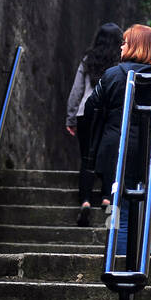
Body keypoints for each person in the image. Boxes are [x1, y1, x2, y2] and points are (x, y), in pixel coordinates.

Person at [88, 24, 151, 257]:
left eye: (125, 42)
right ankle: (145, 259)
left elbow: (92, 108)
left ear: (135, 46)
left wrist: (100, 142)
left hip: (117, 152)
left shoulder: (112, 75)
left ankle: (118, 258)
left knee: (117, 208)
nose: (121, 46)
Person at [66, 22, 123, 225]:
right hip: (111, 114)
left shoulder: (88, 59)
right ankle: (107, 196)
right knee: (109, 156)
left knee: (87, 157)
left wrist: (71, 117)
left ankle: (86, 201)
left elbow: (76, 91)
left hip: (86, 112)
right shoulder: (120, 62)